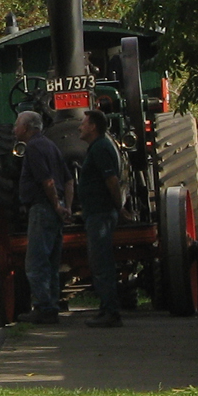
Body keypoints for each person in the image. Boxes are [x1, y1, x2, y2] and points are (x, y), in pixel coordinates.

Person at [14, 110, 71, 324]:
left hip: (42, 208)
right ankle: (52, 305)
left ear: (27, 128)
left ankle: (43, 307)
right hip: (56, 210)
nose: (14, 129)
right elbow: (68, 180)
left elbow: (46, 181)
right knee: (51, 262)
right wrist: (67, 207)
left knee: (36, 262)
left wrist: (56, 206)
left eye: (17, 125)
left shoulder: (34, 148)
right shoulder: (51, 145)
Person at [78, 109, 125, 328]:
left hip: (101, 214)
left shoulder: (101, 148)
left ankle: (110, 311)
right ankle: (107, 309)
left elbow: (112, 181)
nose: (80, 127)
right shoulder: (97, 147)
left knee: (102, 264)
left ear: (93, 127)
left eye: (84, 123)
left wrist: (119, 207)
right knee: (99, 263)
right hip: (96, 214)